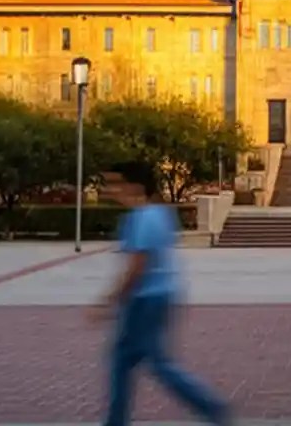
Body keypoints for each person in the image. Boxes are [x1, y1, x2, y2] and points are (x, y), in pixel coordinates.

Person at [93, 181, 231, 426]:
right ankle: (115, 421)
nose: (111, 189)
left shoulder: (142, 218)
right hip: (161, 294)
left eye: (116, 183)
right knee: (122, 361)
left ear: (134, 186)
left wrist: (109, 300)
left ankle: (210, 405)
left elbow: (137, 266)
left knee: (158, 364)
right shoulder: (159, 213)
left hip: (145, 300)